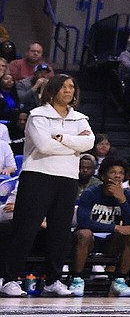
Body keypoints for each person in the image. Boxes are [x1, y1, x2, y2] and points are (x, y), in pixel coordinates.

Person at [1, 74, 95, 297]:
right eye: (63, 86)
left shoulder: (81, 118)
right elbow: (43, 145)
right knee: (26, 228)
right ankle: (10, 279)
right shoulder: (38, 115)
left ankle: (53, 280)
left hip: (67, 178)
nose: (68, 90)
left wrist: (61, 138)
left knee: (60, 231)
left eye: (72, 86)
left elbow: (89, 143)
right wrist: (74, 145)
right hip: (38, 175)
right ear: (52, 91)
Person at [70, 154, 130, 297]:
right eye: (113, 172)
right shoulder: (90, 193)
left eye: (120, 173)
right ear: (103, 176)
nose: (117, 176)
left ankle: (119, 280)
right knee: (84, 233)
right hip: (90, 240)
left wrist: (122, 201)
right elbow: (83, 222)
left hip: (112, 242)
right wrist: (115, 227)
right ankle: (77, 279)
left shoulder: (129, 196)